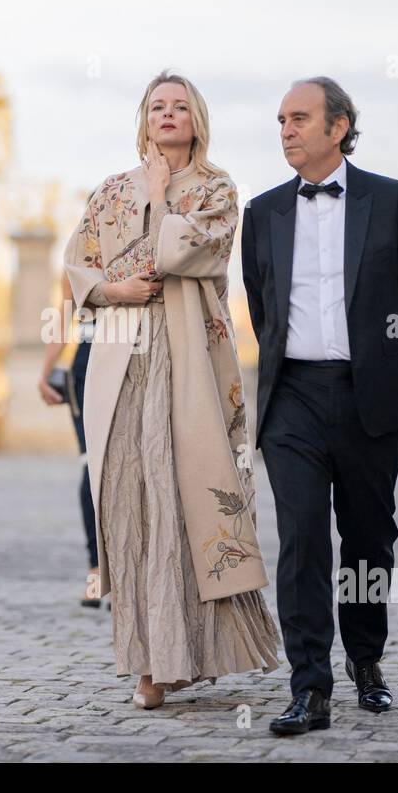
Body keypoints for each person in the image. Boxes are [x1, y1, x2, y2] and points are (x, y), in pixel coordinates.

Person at [63, 70, 281, 710]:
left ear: (196, 118)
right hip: (122, 358)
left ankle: (188, 655)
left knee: (186, 497)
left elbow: (190, 255)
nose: (167, 115)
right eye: (157, 106)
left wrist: (160, 201)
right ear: (143, 118)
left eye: (179, 106)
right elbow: (82, 263)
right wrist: (112, 290)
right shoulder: (109, 191)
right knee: (133, 496)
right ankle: (148, 663)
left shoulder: (217, 188)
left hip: (190, 358)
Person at [241, 77, 398, 735]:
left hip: (368, 399)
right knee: (300, 539)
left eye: (299, 118)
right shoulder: (262, 213)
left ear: (339, 126)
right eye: (280, 120)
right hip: (292, 396)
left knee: (367, 541)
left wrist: (387, 372)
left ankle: (367, 661)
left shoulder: (392, 201)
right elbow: (263, 308)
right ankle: (309, 688)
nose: (286, 130)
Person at [38, 271, 101, 607]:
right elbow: (64, 314)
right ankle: (96, 569)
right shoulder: (82, 249)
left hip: (139, 355)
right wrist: (46, 371)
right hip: (89, 361)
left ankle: (134, 568)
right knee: (91, 465)